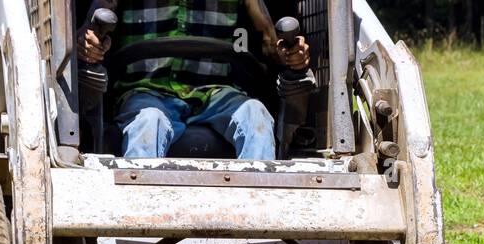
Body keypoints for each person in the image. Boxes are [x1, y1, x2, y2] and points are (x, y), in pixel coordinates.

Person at [78, 0, 310, 160]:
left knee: (255, 114)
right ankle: (137, 224)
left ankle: (260, 220)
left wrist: (292, 54)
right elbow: (90, 34)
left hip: (215, 92)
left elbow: (271, 45)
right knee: (148, 121)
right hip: (146, 90)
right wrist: (90, 44)